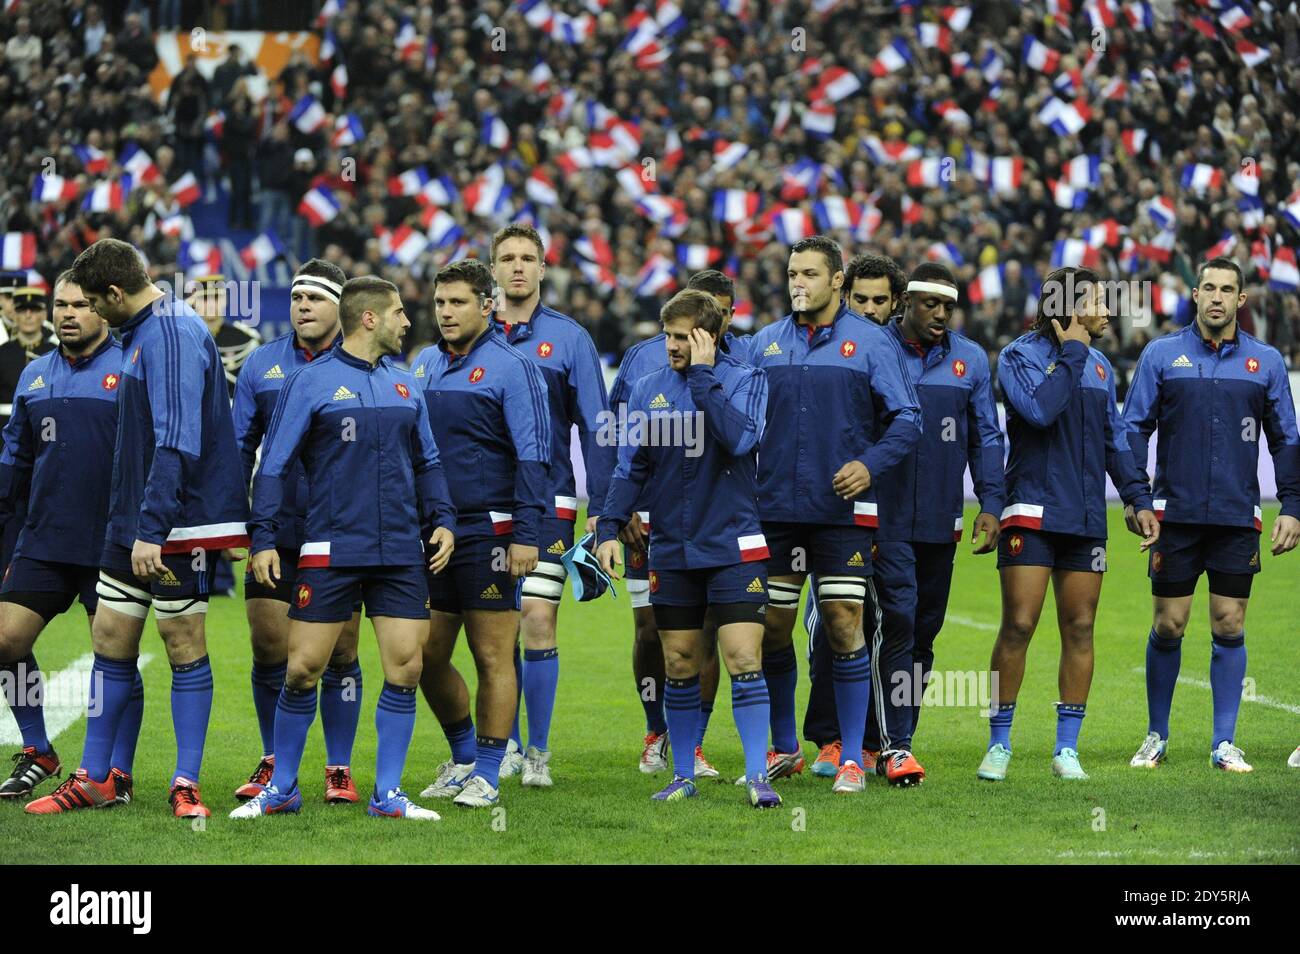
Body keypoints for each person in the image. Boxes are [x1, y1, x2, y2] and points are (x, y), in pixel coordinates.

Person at [25, 239, 249, 818]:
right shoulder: (142, 330)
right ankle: (95, 778)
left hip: (174, 526)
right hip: (133, 519)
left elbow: (177, 440)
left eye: (97, 303)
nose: (92, 314)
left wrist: (152, 527)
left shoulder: (170, 334)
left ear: (117, 293)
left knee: (182, 644)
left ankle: (185, 783)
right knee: (110, 642)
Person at [233, 276, 456, 821]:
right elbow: (275, 466)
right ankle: (282, 786)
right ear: (371, 319)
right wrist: (263, 537)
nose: (410, 321)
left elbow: (427, 462)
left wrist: (444, 519)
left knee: (404, 668)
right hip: (328, 547)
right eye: (400, 312)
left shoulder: (407, 384)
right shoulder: (309, 382)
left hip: (401, 551)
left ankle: (387, 794)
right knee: (303, 668)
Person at [803, 263, 1004, 785]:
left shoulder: (971, 361)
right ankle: (860, 739)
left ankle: (891, 736)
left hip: (940, 520)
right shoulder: (873, 350)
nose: (939, 315)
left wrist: (990, 502)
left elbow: (985, 436)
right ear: (905, 303)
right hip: (877, 517)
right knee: (871, 625)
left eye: (948, 307)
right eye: (928, 305)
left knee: (923, 631)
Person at [748, 235, 921, 794]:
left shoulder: (871, 344)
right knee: (772, 628)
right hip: (773, 511)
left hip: (841, 514)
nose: (797, 282)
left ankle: (851, 755)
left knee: (846, 624)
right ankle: (784, 745)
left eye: (809, 274)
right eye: (792, 272)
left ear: (837, 282)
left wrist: (869, 466)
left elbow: (908, 420)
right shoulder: (764, 345)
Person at [595, 289, 779, 808]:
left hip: (735, 544)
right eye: (668, 335)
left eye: (683, 337)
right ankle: (682, 774)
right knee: (678, 662)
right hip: (672, 547)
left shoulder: (747, 380)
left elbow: (739, 439)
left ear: (711, 336)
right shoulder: (647, 387)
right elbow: (631, 466)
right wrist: (608, 527)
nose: (670, 346)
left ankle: (755, 776)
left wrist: (702, 376)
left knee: (743, 656)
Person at [980, 266, 1159, 783]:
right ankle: (999, 744)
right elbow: (1039, 411)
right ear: (1070, 307)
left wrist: (1137, 498)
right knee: (1019, 625)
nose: (1108, 311)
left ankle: (1067, 749)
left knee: (1079, 627)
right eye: (1099, 302)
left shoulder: (1102, 367)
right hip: (1031, 513)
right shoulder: (1018, 356)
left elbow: (1115, 442)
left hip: (1083, 518)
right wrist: (1073, 352)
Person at [1122, 257, 1299, 773]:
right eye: (1209, 288)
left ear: (1241, 300)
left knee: (1229, 622)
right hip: (1172, 515)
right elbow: (1133, 429)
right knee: (1170, 624)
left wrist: (1292, 505)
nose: (1217, 297)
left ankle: (1224, 742)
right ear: (1195, 295)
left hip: (1235, 515)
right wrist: (1136, 496)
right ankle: (1156, 735)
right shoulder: (1161, 355)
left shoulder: (1264, 362)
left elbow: (1286, 439)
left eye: (1228, 289)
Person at [412, 258, 550, 809]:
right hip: (431, 534)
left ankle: (491, 771)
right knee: (422, 656)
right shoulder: (422, 364)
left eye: (458, 302)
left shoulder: (513, 368)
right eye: (440, 303)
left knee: (492, 654)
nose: (446, 312)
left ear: (486, 306)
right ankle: (466, 755)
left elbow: (535, 457)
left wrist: (526, 532)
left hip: (491, 533)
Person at [230, 259, 364, 804]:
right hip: (278, 527)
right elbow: (240, 446)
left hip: (341, 529)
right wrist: (239, 522)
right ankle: (273, 760)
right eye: (296, 297)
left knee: (341, 653)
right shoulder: (262, 365)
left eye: (314, 298)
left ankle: (338, 766)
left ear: (342, 307)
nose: (302, 306)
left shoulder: (363, 360)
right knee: (268, 645)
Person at [0, 274, 134, 801]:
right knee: (7, 642)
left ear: (104, 310)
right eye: (62, 305)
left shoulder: (130, 368)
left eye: (81, 304)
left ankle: (115, 771)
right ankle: (39, 748)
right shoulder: (34, 374)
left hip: (110, 540)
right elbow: (15, 457)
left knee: (114, 654)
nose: (68, 313)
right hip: (44, 538)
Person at [488, 226, 614, 786]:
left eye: (527, 259)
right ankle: (505, 743)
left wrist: (604, 512)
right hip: (484, 506)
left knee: (537, 618)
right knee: (495, 631)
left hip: (548, 501)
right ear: (492, 269)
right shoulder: (470, 334)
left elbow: (598, 428)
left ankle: (537, 752)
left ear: (544, 269)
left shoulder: (570, 340)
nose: (517, 268)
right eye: (507, 259)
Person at [0, 287, 58, 581]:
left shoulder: (54, 352)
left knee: (47, 506)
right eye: (23, 310)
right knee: (10, 510)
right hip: (7, 442)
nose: (29, 316)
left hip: (47, 441)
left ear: (43, 314)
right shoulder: (3, 354)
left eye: (34, 310)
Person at [187, 273, 261, 400]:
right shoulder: (186, 339)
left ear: (225, 300)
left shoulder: (245, 339)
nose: (210, 304)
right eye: (204, 298)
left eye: (216, 297)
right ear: (194, 302)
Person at [842, 253, 906, 325]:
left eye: (879, 301)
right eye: (860, 300)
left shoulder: (905, 335)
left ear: (894, 301)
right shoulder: (833, 334)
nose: (869, 310)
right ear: (847, 297)